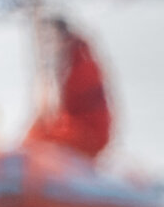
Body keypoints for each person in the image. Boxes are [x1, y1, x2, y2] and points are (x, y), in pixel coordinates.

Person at [24, 15, 113, 160]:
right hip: (83, 133)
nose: (46, 46)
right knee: (35, 137)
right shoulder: (76, 58)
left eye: (49, 39)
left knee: (36, 141)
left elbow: (56, 108)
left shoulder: (79, 63)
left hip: (88, 136)